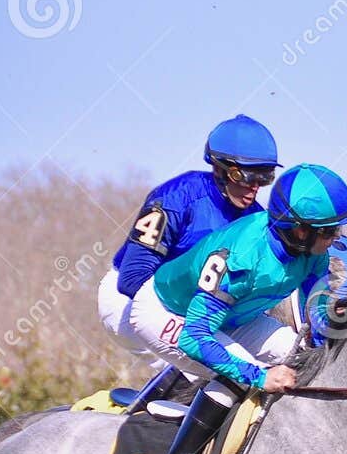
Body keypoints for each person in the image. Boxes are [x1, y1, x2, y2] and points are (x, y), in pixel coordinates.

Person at [132, 163, 347, 454]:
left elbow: (314, 304)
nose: (337, 237)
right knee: (240, 375)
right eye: (330, 231)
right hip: (170, 313)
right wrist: (259, 376)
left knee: (301, 363)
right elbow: (196, 337)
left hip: (237, 315)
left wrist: (325, 340)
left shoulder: (313, 252)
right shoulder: (240, 258)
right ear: (300, 232)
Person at [100, 115, 280, 371]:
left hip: (195, 306)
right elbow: (132, 278)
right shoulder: (176, 198)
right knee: (227, 371)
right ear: (218, 168)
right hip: (131, 301)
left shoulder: (254, 217)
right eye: (244, 177)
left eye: (263, 178)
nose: (253, 189)